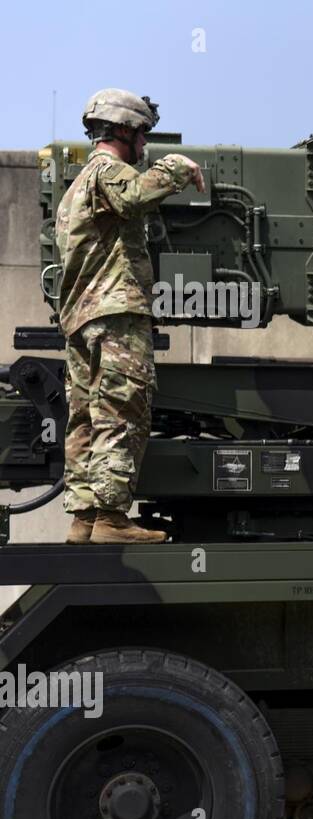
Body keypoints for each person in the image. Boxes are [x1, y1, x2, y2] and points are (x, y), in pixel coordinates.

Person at [56, 88, 205, 544]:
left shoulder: (75, 187)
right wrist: (179, 165)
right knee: (122, 412)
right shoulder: (107, 173)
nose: (145, 145)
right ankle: (113, 521)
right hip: (115, 315)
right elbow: (137, 194)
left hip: (82, 320)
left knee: (86, 417)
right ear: (122, 129)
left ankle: (84, 519)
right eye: (142, 134)